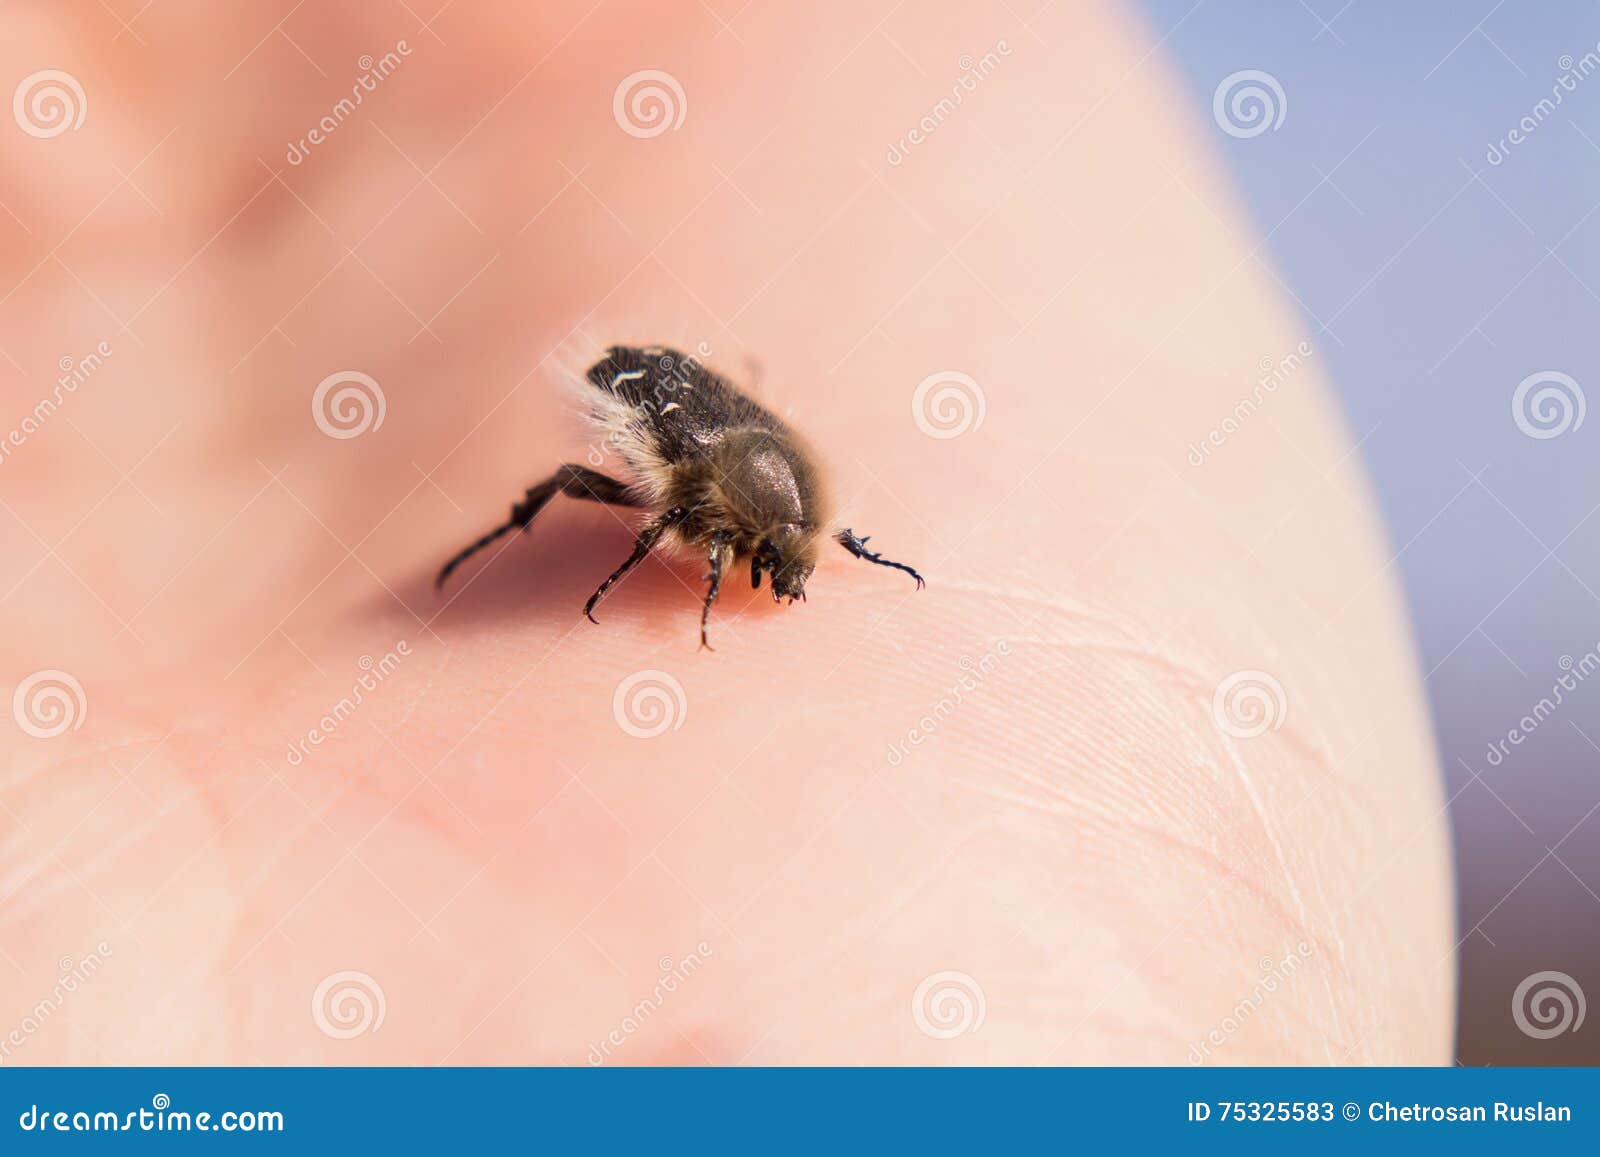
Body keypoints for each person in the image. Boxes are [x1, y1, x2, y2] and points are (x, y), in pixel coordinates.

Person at [0, 0, 1450, 1063]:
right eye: (765, 567)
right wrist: (652, 569)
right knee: (584, 509)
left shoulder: (794, 511)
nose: (765, 588)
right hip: (655, 397)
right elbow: (663, 498)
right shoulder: (707, 497)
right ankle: (499, 547)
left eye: (773, 569)